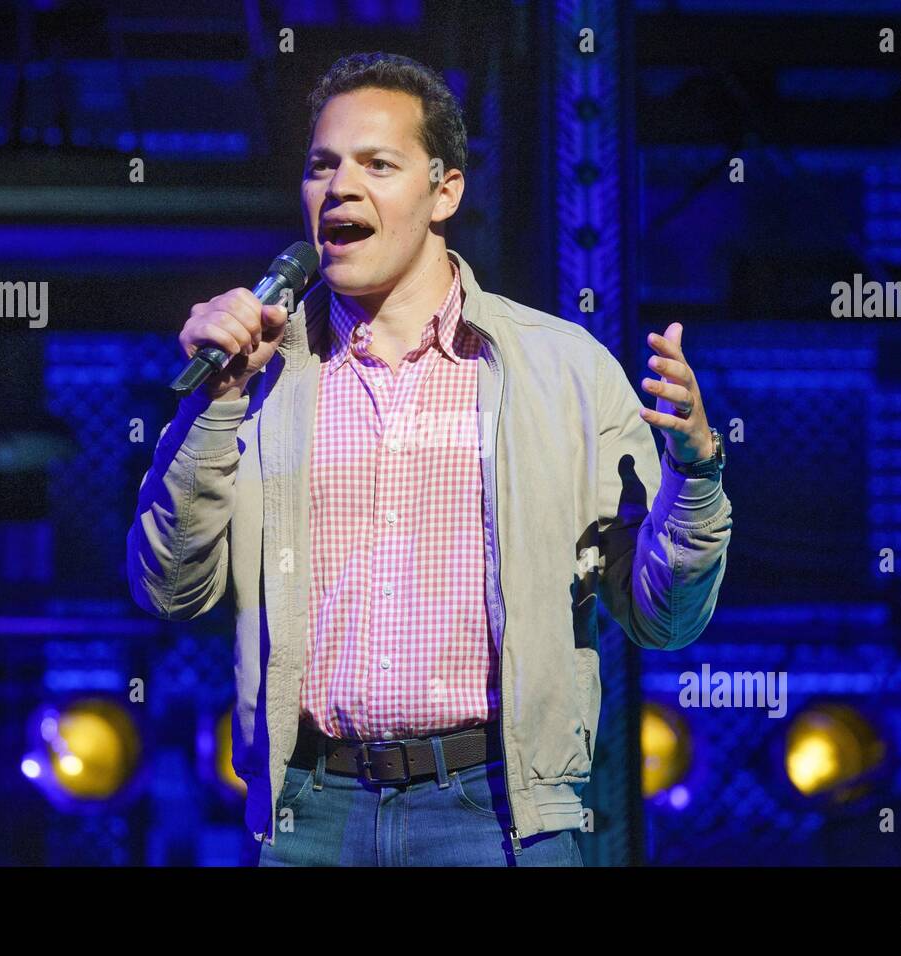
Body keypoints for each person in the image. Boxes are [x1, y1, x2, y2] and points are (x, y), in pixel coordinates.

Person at [127, 52, 732, 866]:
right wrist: (215, 401)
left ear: (444, 192)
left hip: (497, 811)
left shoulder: (564, 371)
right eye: (322, 166)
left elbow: (664, 618)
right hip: (313, 814)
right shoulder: (259, 378)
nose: (340, 187)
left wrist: (696, 474)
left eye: (378, 164)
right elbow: (169, 588)